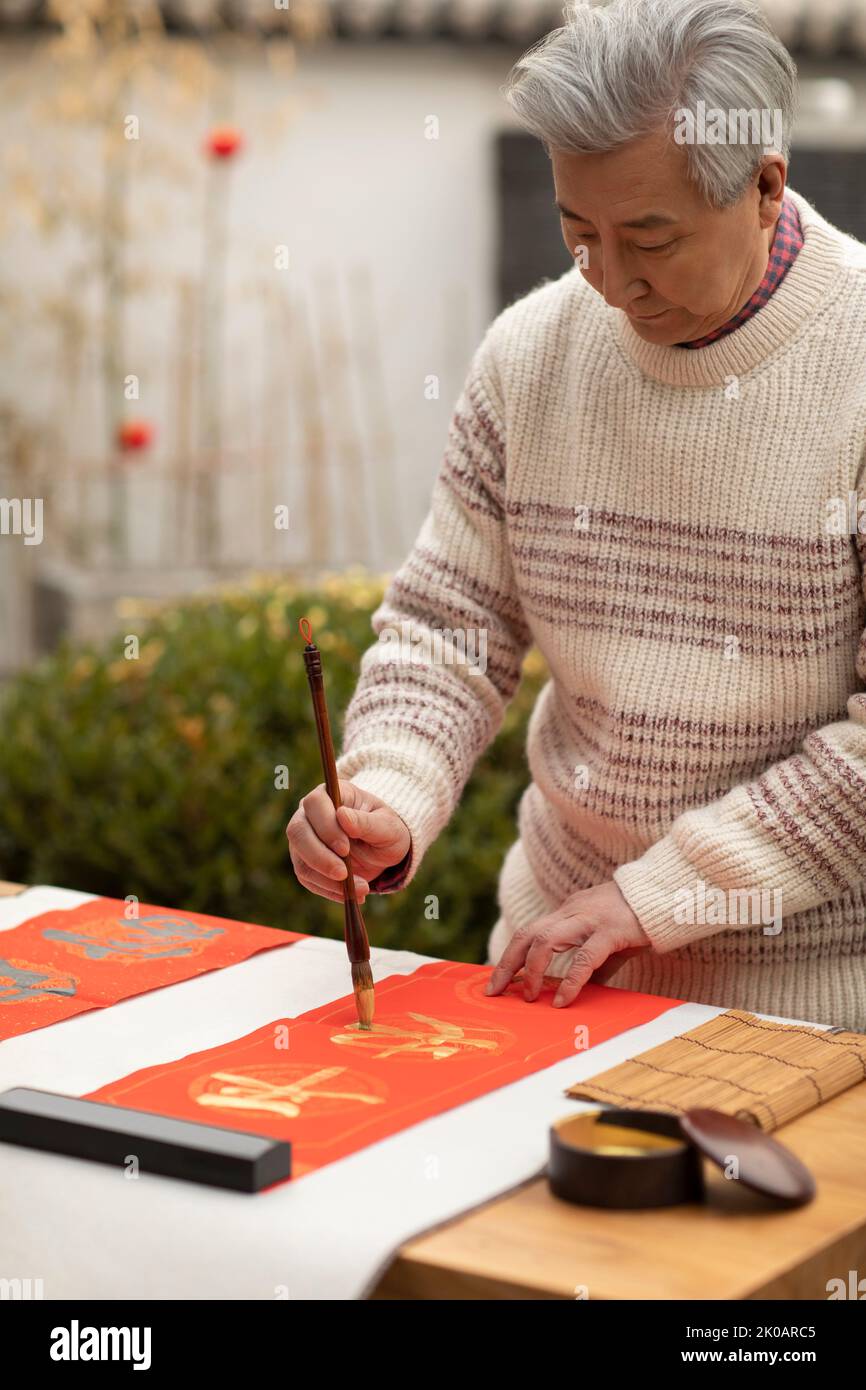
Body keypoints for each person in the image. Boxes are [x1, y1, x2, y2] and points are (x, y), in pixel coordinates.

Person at [288, 0, 866, 1031]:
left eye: (649, 238)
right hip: (551, 979)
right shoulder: (530, 353)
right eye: (577, 232)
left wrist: (654, 899)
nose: (606, 281)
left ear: (765, 186)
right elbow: (447, 630)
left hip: (804, 1014)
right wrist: (385, 795)